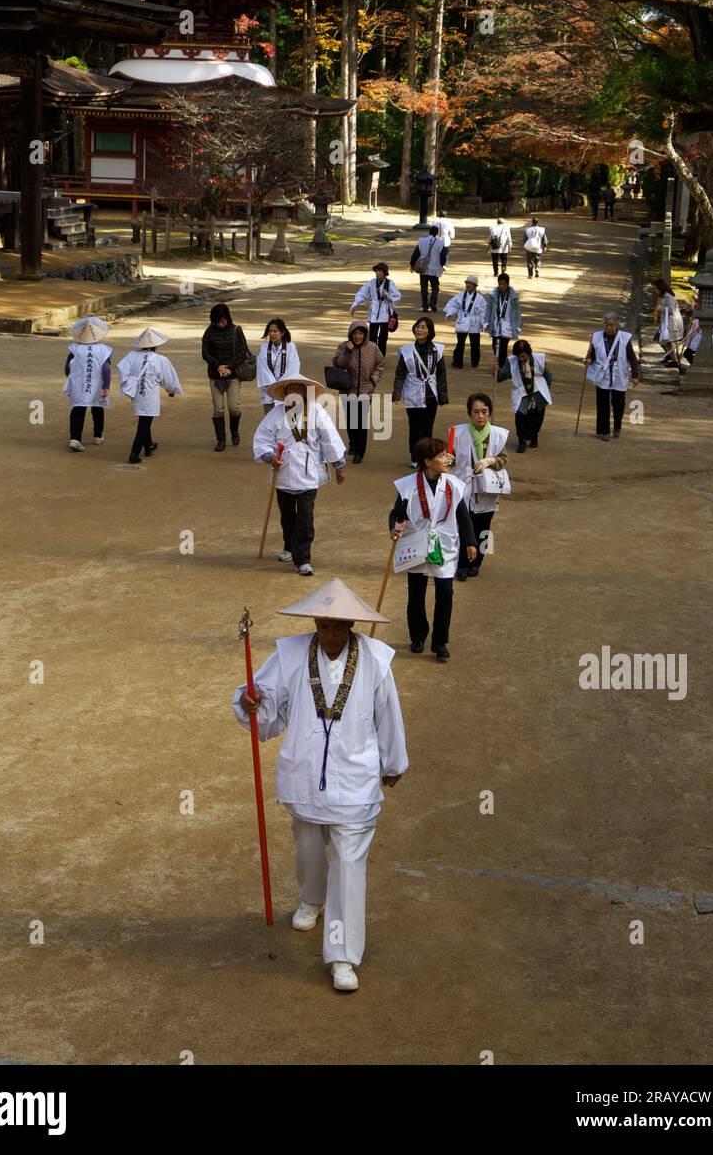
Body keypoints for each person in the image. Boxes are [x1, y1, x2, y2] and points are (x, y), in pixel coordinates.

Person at [233, 577, 408, 993]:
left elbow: (389, 713)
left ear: (351, 625)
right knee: (308, 843)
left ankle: (343, 954)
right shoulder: (290, 653)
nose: (330, 635)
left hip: (355, 780)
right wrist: (252, 702)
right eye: (323, 626)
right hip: (305, 774)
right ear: (314, 622)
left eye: (338, 627)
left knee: (349, 864)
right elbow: (264, 701)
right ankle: (312, 896)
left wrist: (394, 759)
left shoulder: (376, 660)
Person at [389, 436, 475, 660]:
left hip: (444, 543)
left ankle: (440, 642)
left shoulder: (453, 484)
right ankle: (417, 636)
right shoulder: (408, 485)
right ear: (427, 462)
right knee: (416, 593)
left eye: (446, 454)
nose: (447, 458)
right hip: (417, 541)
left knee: (445, 593)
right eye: (441, 456)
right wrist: (395, 528)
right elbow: (398, 513)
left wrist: (471, 542)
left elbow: (462, 514)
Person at [253, 374, 346, 575]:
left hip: (308, 473)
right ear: (285, 393)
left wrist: (339, 466)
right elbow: (262, 439)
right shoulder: (276, 414)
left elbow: (329, 439)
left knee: (305, 519)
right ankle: (289, 545)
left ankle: (302, 558)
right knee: (287, 517)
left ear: (305, 392)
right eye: (290, 389)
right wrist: (270, 457)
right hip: (283, 474)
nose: (294, 392)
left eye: (299, 389)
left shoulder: (317, 411)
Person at [451, 392, 509, 579]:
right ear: (470, 414)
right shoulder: (458, 433)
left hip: (486, 490)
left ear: (489, 413)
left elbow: (503, 459)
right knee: (463, 526)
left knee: (483, 528)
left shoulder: (498, 435)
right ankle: (462, 564)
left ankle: (477, 563)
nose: (480, 416)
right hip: (464, 487)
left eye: (484, 412)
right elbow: (449, 457)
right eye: (476, 412)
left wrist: (490, 461)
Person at [116, 327, 183, 465]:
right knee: (144, 422)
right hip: (150, 395)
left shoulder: (131, 355)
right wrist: (170, 390)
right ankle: (134, 453)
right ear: (155, 345)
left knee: (144, 418)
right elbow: (168, 378)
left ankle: (148, 446)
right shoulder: (160, 359)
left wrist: (128, 383)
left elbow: (122, 369)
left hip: (137, 393)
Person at [392, 316, 448, 467]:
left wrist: (443, 397)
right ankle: (414, 457)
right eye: (417, 326)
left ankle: (426, 458)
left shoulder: (438, 350)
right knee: (414, 427)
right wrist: (397, 393)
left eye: (423, 327)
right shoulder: (406, 350)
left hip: (431, 394)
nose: (419, 330)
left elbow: (441, 374)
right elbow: (400, 373)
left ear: (429, 331)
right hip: (413, 393)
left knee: (427, 428)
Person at [332, 323, 385, 465]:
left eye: (361, 333)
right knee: (350, 420)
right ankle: (353, 444)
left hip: (365, 391)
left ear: (365, 334)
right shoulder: (343, 346)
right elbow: (339, 364)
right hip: (347, 389)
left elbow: (380, 364)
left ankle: (360, 451)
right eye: (355, 333)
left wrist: (373, 380)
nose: (357, 336)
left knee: (360, 422)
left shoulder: (372, 347)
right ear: (350, 334)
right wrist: (347, 352)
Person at [201, 302, 252, 450]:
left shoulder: (236, 330)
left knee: (234, 407)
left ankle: (234, 431)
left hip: (232, 374)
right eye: (218, 321)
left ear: (228, 318)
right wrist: (218, 366)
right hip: (215, 375)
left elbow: (242, 352)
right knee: (218, 409)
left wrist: (229, 366)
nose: (221, 324)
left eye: (223, 320)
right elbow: (206, 353)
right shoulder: (209, 332)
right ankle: (221, 439)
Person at [584, 312, 640, 441]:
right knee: (602, 404)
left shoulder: (624, 338)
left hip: (619, 374)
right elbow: (591, 355)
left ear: (617, 325)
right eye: (606, 325)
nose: (609, 328)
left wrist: (635, 376)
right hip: (602, 374)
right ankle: (604, 431)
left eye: (611, 325)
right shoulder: (596, 337)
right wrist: (588, 360)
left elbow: (632, 358)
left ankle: (617, 426)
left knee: (618, 403)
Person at [495, 338, 553, 453]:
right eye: (519, 357)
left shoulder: (539, 359)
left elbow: (548, 376)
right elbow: (501, 377)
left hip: (538, 390)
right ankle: (521, 441)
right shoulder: (511, 361)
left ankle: (534, 436)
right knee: (521, 418)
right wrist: (497, 370)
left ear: (529, 353)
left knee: (538, 416)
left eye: (523, 356)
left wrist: (546, 390)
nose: (521, 359)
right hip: (521, 393)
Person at [63, 316, 111, 452]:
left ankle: (75, 438)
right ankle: (97, 435)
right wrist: (106, 386)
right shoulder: (103, 350)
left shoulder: (75, 349)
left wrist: (71, 379)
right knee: (97, 407)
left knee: (78, 408)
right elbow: (106, 369)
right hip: (97, 383)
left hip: (79, 383)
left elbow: (67, 367)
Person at [350, 262, 401, 355]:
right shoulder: (372, 283)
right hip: (374, 313)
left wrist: (388, 296)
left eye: (380, 271)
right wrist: (355, 303)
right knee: (372, 337)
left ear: (384, 273)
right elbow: (362, 293)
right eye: (377, 271)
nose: (378, 273)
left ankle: (381, 357)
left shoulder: (390, 283)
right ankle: (372, 355)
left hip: (385, 313)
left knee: (383, 338)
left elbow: (397, 296)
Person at [443, 273, 487, 369]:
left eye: (471, 284)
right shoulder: (460, 295)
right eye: (467, 283)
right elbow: (453, 304)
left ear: (475, 286)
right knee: (460, 342)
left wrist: (484, 323)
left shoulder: (480, 298)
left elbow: (483, 311)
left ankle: (475, 362)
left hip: (474, 322)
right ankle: (458, 362)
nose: (468, 285)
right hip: (463, 321)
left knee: (475, 343)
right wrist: (449, 312)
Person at [257, 318, 301, 414]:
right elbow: (263, 369)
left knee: (287, 418)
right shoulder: (264, 347)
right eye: (270, 331)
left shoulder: (291, 346)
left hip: (286, 387)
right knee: (269, 418)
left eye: (275, 331)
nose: (272, 334)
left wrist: (281, 385)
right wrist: (274, 387)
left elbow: (293, 368)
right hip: (269, 388)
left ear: (282, 332)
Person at [410, 223, 448, 312]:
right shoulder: (441, 242)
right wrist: (442, 265)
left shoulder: (422, 241)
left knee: (424, 287)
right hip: (435, 268)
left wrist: (412, 264)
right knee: (435, 287)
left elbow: (416, 254)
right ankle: (433, 302)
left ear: (429, 232)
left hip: (423, 267)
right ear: (437, 233)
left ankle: (425, 306)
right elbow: (443, 255)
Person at [486, 273, 522, 367]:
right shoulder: (493, 295)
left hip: (508, 325)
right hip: (496, 324)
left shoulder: (513, 296)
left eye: (503, 284)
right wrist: (486, 321)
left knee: (503, 347)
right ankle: (499, 363)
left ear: (507, 284)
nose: (501, 286)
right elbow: (488, 308)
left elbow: (518, 311)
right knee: (495, 345)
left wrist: (518, 325)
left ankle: (500, 367)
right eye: (499, 284)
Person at [654, 278, 684, 367]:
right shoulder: (663, 297)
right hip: (666, 322)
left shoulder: (669, 297)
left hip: (672, 322)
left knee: (667, 341)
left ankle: (674, 361)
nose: (655, 290)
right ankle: (670, 355)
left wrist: (660, 309)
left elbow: (671, 310)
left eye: (656, 288)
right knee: (659, 338)